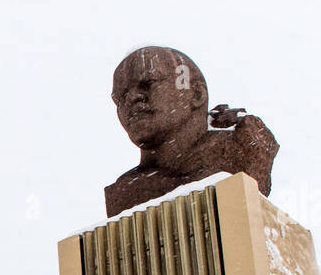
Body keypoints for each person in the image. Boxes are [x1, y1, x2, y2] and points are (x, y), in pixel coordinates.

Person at [104, 46, 278, 217]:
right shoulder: (127, 190)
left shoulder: (238, 152)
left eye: (148, 83)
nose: (132, 99)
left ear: (196, 94)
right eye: (120, 97)